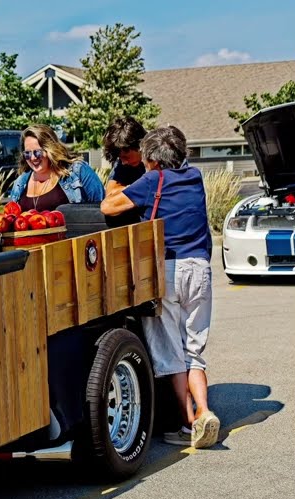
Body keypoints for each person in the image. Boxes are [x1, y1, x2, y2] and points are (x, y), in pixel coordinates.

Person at [100, 126, 220, 449]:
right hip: (201, 268)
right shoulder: (195, 177)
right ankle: (205, 410)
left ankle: (188, 422)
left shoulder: (153, 179)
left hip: (168, 269)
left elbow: (108, 208)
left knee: (171, 352)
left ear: (152, 160)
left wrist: (118, 186)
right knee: (194, 350)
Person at [6, 124, 104, 212]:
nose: (33, 158)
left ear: (50, 149)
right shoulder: (20, 183)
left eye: (37, 152)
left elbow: (101, 207)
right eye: (27, 153)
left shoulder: (78, 171)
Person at [101, 115, 148, 228]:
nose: (124, 162)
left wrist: (126, 193)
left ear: (139, 146)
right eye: (120, 158)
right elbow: (111, 200)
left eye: (126, 156)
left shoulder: (160, 161)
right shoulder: (123, 164)